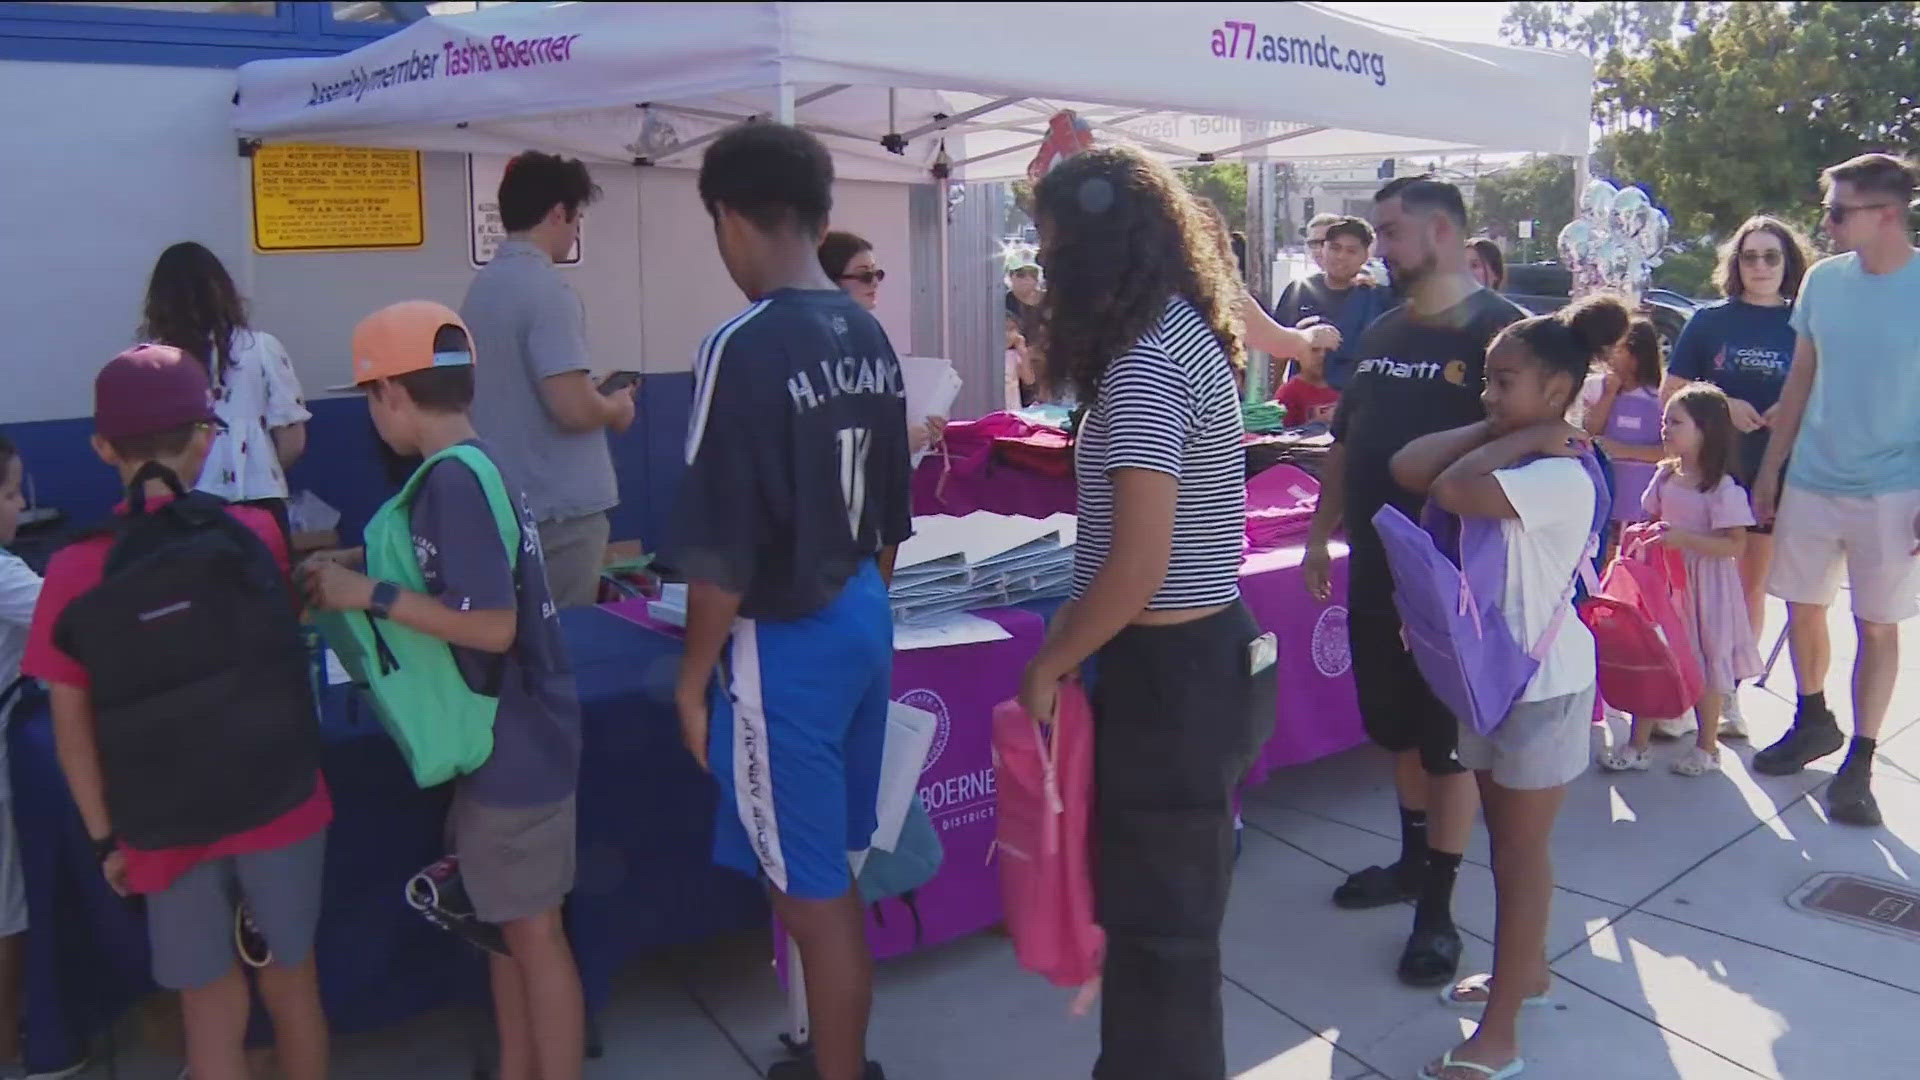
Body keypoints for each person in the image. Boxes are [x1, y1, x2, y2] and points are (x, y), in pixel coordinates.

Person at [1015, 146, 1269, 1080]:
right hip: (1194, 666)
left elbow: (1135, 570)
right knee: (1162, 922)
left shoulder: (1145, 362)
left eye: (1051, 258)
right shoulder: (1176, 333)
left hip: (1171, 677)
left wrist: (1047, 664)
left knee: (1161, 931)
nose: (1045, 283)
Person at [674, 122, 911, 1080]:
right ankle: (838, 1059)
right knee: (832, 878)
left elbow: (720, 546)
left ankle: (839, 1070)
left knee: (814, 900)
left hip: (787, 641)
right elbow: (894, 514)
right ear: (818, 216)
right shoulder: (867, 328)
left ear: (729, 217)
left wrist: (693, 680)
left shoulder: (741, 344)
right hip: (861, 608)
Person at [25, 345, 331, 1080]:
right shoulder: (254, 535)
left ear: (101, 446)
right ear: (206, 438)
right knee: (293, 988)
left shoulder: (71, 570)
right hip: (279, 802)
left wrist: (107, 842)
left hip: (159, 825)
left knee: (209, 1007)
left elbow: (72, 729)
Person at [302, 302, 586, 1080]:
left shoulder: (454, 483)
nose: (371, 414)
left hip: (516, 749)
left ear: (393, 392)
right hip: (504, 743)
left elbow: (492, 625)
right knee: (500, 924)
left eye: (368, 396)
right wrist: (359, 569)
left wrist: (370, 598)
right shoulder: (467, 469)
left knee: (531, 935)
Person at [1305, 176, 1538, 990]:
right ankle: (1410, 865)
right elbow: (1347, 439)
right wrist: (1316, 538)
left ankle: (1437, 912)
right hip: (1376, 565)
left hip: (1456, 582)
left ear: (1440, 232)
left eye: (1391, 232)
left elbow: (1540, 462)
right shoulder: (1384, 328)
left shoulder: (1509, 336)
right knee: (1398, 731)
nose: (1380, 247)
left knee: (1446, 749)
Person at [1388, 299, 1615, 1080]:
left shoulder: (1559, 475)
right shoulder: (1524, 451)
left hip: (1542, 687)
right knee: (1509, 847)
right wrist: (1513, 428)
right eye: (1487, 379)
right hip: (1495, 676)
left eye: (1505, 382)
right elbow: (1409, 466)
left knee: (1520, 857)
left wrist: (1528, 439)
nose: (1487, 394)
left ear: (1557, 389)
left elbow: (1448, 491)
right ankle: (1530, 975)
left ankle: (1501, 1032)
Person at [1752, 153, 1920, 827]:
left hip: (1894, 485)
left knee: (1876, 624)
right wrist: (1771, 470)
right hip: (1815, 478)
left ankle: (1861, 759)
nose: (1825, 222)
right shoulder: (1823, 281)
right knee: (1802, 604)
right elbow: (1799, 380)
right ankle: (1812, 716)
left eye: (1839, 210)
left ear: (1886, 214)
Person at [463, 151, 635, 608]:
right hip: (558, 512)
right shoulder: (549, 291)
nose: (576, 229)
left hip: (506, 499)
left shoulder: (482, 289)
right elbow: (573, 408)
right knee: (563, 649)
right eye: (577, 217)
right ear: (559, 212)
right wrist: (615, 407)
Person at [1664, 216, 1812, 738]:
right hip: (1708, 478)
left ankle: (1726, 693)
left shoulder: (1805, 321)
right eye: (1750, 256)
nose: (1761, 266)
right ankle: (1682, 689)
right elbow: (1673, 393)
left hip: (1775, 474)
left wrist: (1792, 408)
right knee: (1688, 585)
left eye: (1772, 256)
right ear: (1735, 262)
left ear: (1789, 262)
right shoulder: (1708, 322)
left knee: (1748, 586)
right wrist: (1723, 403)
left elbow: (1826, 390)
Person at [1600, 383, 1764, 776]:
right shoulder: (1665, 476)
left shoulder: (1721, 488)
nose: (1665, 429)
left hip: (1705, 589)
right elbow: (1650, 517)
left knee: (1705, 665)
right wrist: (1645, 535)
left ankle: (1707, 747)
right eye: (1664, 421)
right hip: (1664, 586)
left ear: (1705, 430)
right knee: (1653, 656)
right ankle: (1638, 744)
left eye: (1676, 422)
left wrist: (1685, 539)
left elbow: (1735, 545)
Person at [139, 241, 310, 538]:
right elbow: (293, 440)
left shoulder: (148, 361)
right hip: (259, 499)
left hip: (178, 507)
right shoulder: (263, 348)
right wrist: (261, 469)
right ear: (224, 291)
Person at [819, 231, 945, 452]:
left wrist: (923, 426)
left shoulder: (868, 332)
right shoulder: (817, 341)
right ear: (831, 279)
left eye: (878, 274)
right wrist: (897, 443)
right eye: (865, 275)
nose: (875, 283)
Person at [0, 435, 37, 1078]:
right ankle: (7, 1041)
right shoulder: (6, 576)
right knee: (7, 917)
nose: (21, 504)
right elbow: (78, 616)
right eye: (8, 493)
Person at [1273, 215, 1396, 389]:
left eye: (1351, 251)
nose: (1341, 256)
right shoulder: (1299, 290)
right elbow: (1278, 348)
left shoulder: (1379, 299)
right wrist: (1274, 393)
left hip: (1360, 402)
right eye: (1334, 248)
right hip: (1304, 403)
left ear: (1365, 256)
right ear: (1324, 249)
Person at [1580, 318, 1667, 538]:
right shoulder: (1595, 387)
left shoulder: (1661, 397)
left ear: (1638, 355)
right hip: (1602, 491)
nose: (1609, 356)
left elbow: (1670, 451)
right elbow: (1588, 432)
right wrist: (1609, 395)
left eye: (1618, 349)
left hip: (1641, 498)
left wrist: (1624, 450)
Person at [1274, 344, 1340, 426]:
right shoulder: (1288, 393)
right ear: (1297, 354)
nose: (1322, 355)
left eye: (1327, 350)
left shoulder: (1339, 386)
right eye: (1315, 350)